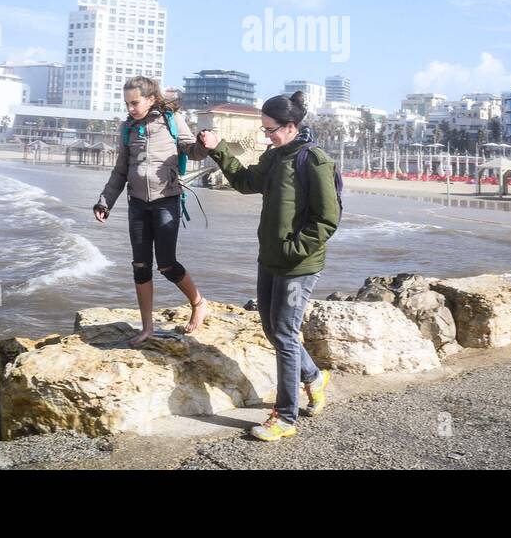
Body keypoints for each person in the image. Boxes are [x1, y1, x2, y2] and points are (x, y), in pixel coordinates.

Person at [198, 91, 341, 442]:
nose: (267, 136)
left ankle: (286, 417)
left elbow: (327, 219)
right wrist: (218, 150)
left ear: (291, 126)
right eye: (264, 130)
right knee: (273, 330)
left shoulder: (314, 160)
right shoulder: (275, 157)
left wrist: (294, 249)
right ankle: (313, 377)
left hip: (298, 265)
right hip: (269, 259)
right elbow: (248, 183)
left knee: (286, 334)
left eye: (271, 130)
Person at [94, 76, 211, 346]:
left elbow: (192, 150)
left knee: (167, 264)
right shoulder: (128, 128)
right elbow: (120, 171)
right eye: (127, 103)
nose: (130, 108)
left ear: (150, 99)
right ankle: (147, 327)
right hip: (137, 204)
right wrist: (104, 202)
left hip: (166, 200)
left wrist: (203, 144)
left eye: (135, 102)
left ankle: (198, 302)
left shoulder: (171, 120)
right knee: (140, 266)